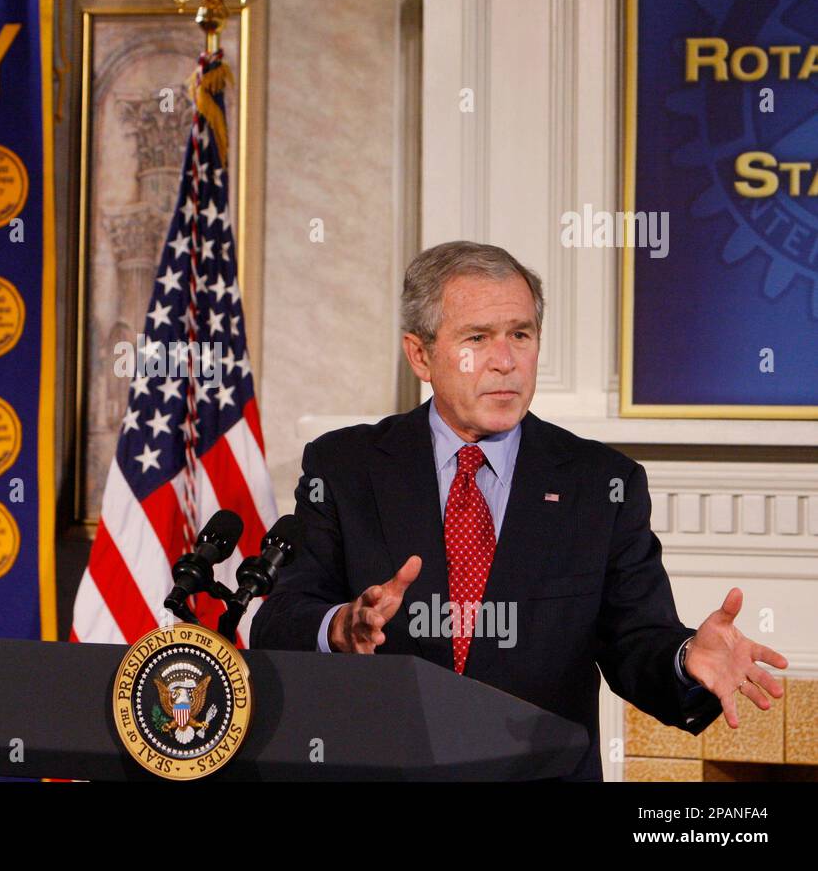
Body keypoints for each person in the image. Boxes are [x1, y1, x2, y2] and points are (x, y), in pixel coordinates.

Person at [250, 241, 788, 781]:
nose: (505, 361)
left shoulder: (601, 484)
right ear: (420, 355)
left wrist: (686, 657)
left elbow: (637, 640)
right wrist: (340, 627)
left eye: (521, 335)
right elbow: (280, 618)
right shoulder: (347, 467)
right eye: (478, 338)